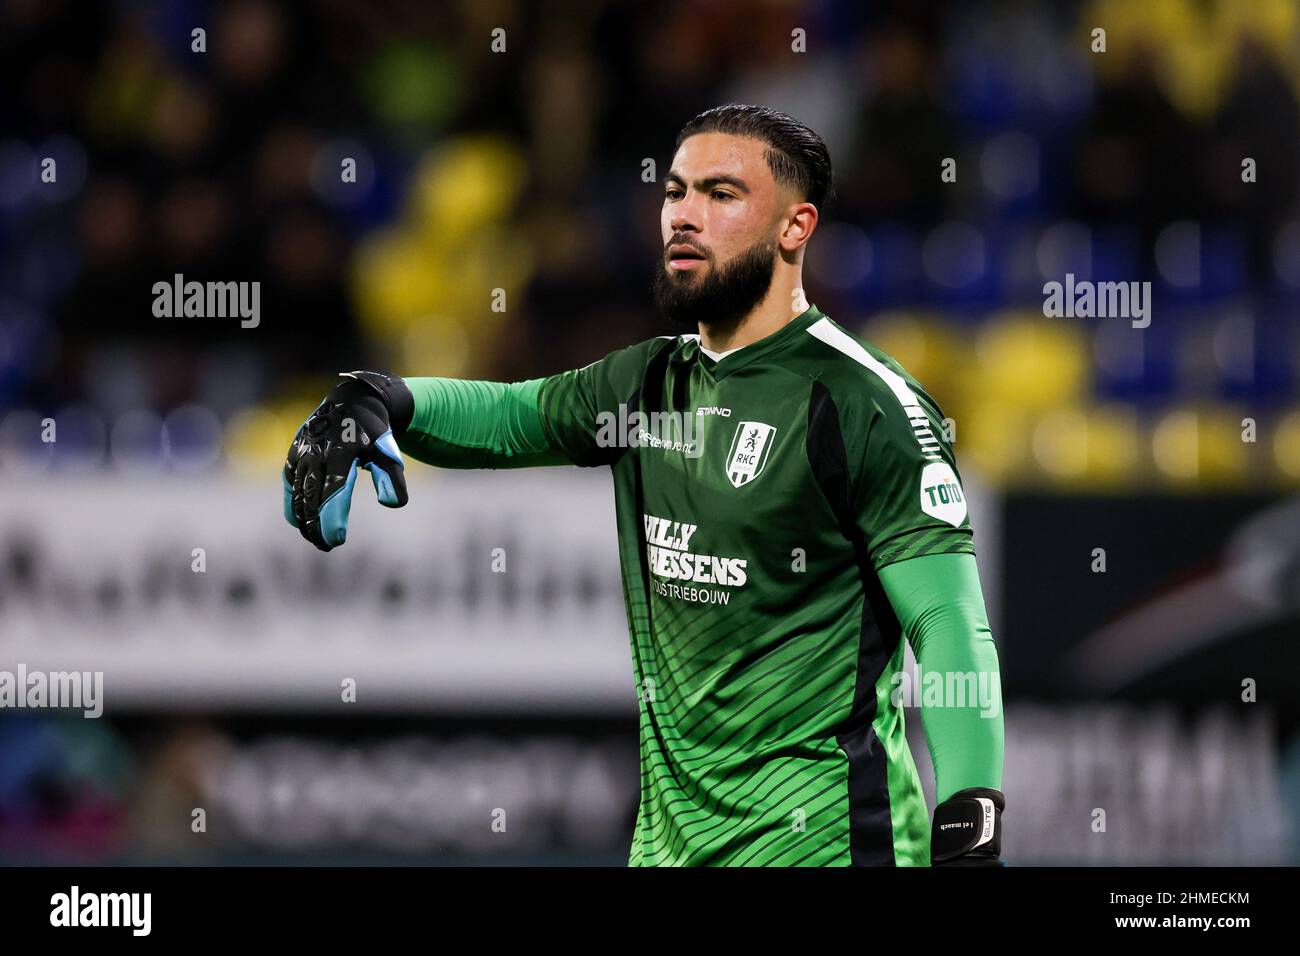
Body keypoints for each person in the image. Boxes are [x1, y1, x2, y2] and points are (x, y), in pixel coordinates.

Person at [283, 104, 1005, 866]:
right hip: (667, 851)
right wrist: (383, 397)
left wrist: (971, 806)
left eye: (722, 195)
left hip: (824, 843)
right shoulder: (647, 385)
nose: (685, 216)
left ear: (795, 228)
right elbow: (507, 416)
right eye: (675, 192)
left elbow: (947, 621)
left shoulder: (863, 403)